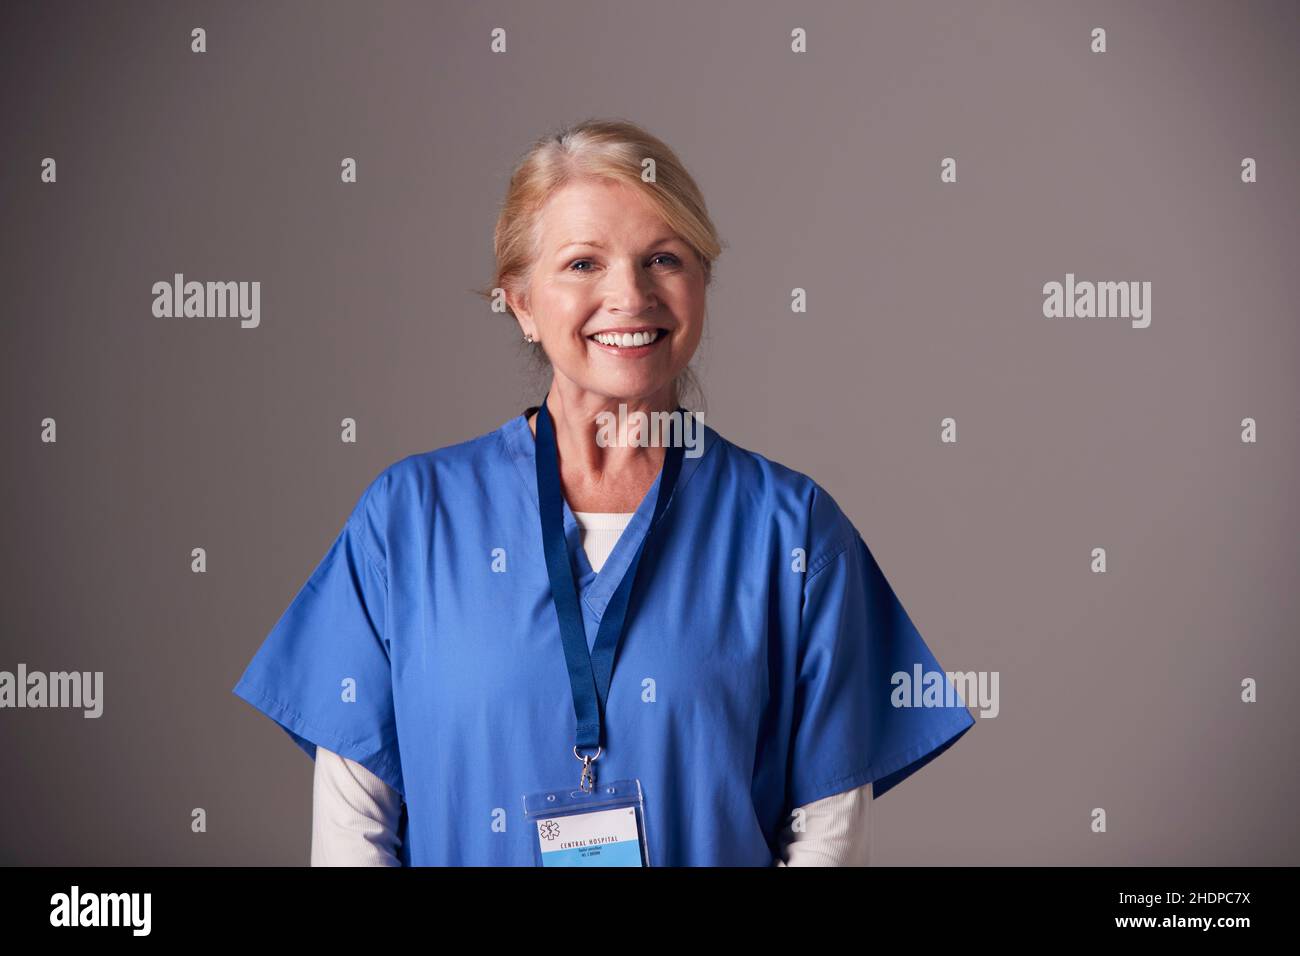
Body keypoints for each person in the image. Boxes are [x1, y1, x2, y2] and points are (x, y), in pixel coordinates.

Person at [233, 118, 975, 866]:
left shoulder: (793, 532)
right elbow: (353, 832)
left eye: (663, 258)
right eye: (584, 264)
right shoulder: (408, 521)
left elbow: (827, 836)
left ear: (702, 284)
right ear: (520, 303)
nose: (630, 295)